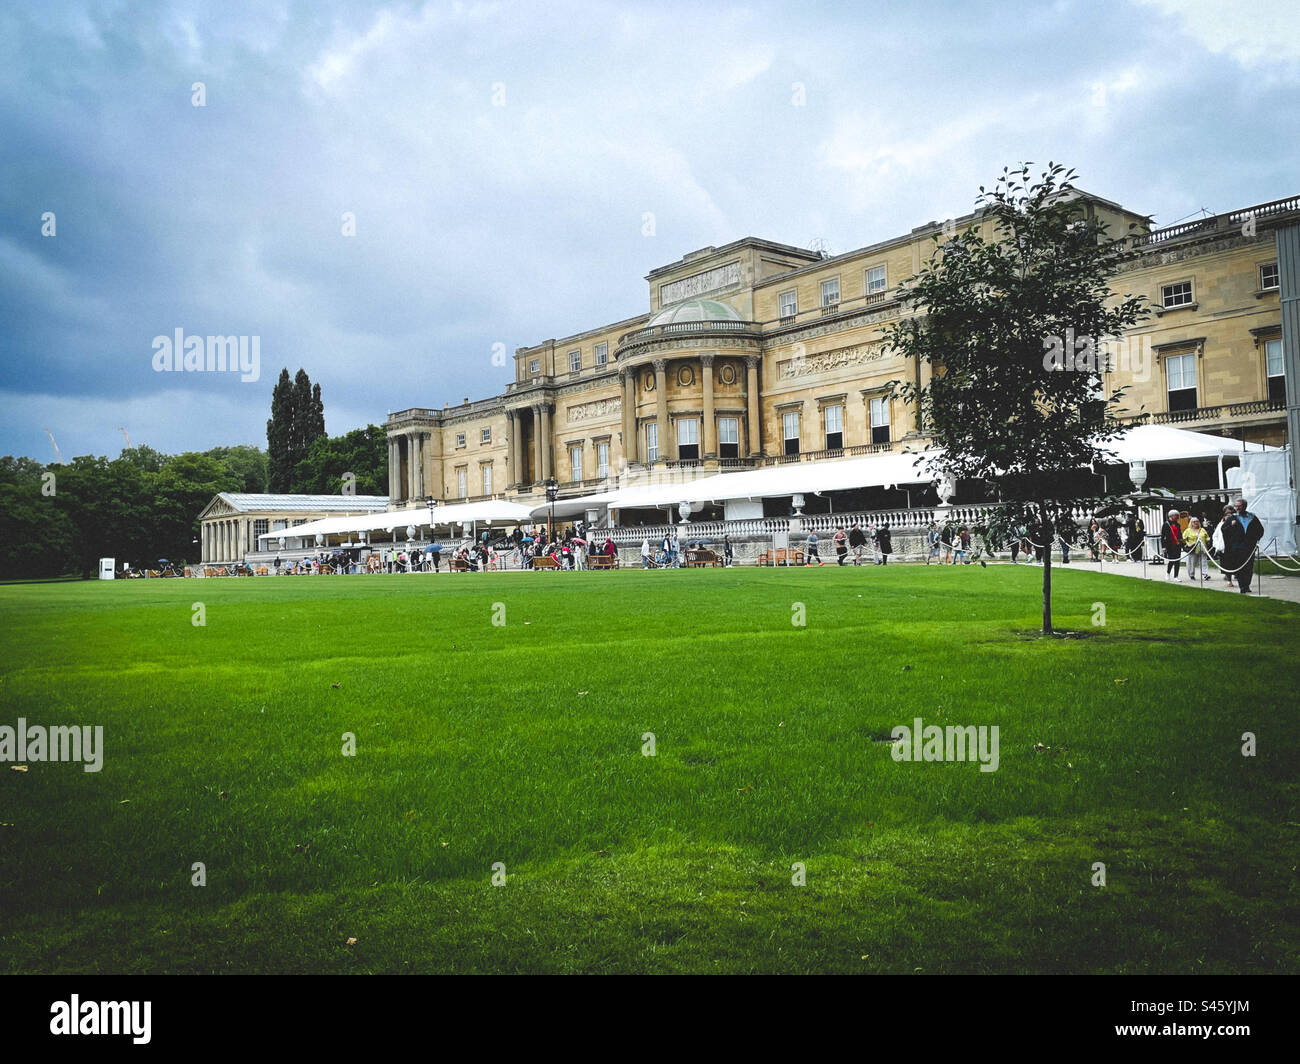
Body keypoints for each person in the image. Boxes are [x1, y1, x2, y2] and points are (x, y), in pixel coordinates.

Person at [1224, 498, 1265, 594]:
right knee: (1240, 567)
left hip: (1249, 547)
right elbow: (1224, 530)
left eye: (1239, 506)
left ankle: (1247, 585)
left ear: (1244, 506)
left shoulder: (1252, 517)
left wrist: (1255, 540)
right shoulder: (1232, 518)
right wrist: (1231, 526)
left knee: (1249, 567)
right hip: (1237, 547)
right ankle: (1242, 586)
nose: (1237, 508)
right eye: (1236, 506)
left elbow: (1260, 530)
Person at [1183, 516, 1210, 582]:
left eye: (1197, 521)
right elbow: (1183, 539)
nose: (1196, 523)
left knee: (1204, 561)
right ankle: (1191, 574)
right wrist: (1189, 544)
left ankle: (1205, 574)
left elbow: (1207, 537)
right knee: (1192, 562)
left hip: (1202, 548)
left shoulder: (1202, 530)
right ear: (1191, 523)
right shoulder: (1188, 530)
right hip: (1193, 549)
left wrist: (1208, 541)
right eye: (1194, 522)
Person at [1212, 506, 1234, 587]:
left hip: (1234, 547)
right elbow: (1215, 536)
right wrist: (1217, 545)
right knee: (1226, 564)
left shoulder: (1236, 523)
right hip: (1224, 548)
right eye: (1227, 514)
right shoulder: (1221, 524)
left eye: (1230, 513)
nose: (1228, 515)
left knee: (1235, 563)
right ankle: (1229, 579)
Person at [1161, 509, 1183, 580]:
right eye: (1176, 515)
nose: (1177, 517)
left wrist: (1181, 541)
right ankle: (1168, 573)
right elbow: (1163, 536)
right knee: (1172, 559)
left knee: (1177, 560)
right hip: (1170, 545)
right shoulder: (1166, 524)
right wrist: (1163, 546)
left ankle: (1176, 576)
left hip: (1177, 544)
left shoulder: (1178, 524)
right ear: (1171, 516)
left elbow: (1179, 534)